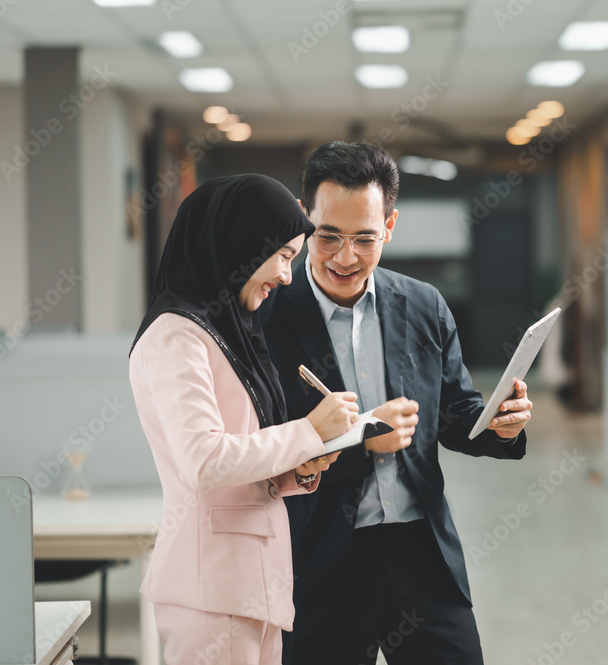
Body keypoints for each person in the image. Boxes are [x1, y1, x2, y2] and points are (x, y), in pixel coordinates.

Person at [259, 141, 535, 664]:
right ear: (303, 219)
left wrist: (499, 424)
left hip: (421, 556)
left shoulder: (423, 305)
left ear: (389, 225)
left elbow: (455, 416)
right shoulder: (267, 319)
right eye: (328, 236)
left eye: (365, 237)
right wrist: (364, 436)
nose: (345, 257)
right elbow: (262, 448)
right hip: (321, 561)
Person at [128, 174, 360, 665]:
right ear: (239, 244)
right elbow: (204, 460)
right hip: (212, 589)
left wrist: (303, 464)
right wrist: (309, 431)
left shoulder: (224, 330)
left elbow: (239, 451)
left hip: (247, 586)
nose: (287, 275)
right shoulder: (177, 336)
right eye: (282, 255)